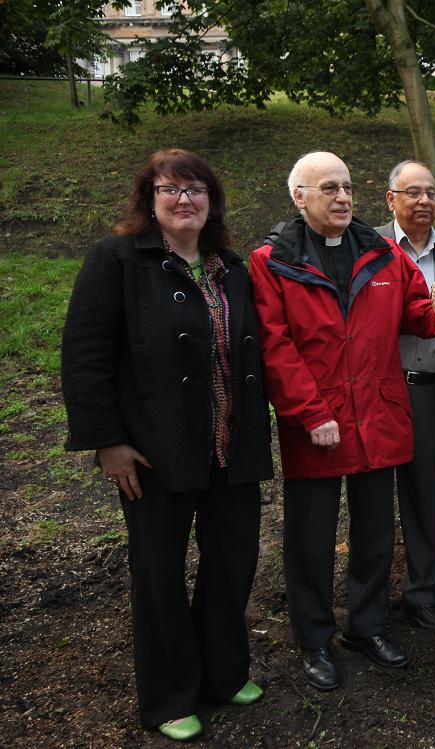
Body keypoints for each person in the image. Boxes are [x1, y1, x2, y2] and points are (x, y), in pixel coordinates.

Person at [61, 149, 274, 741]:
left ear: (213, 201)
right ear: (149, 201)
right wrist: (108, 441)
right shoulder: (118, 261)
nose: (185, 200)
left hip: (233, 447)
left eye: (197, 190)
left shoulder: (229, 267)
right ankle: (168, 697)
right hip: (156, 452)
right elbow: (84, 355)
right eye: (170, 189)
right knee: (159, 575)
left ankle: (224, 675)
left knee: (232, 565)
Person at [249, 151, 435, 691]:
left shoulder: (383, 255)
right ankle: (314, 638)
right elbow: (275, 348)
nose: (343, 197)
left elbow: (419, 316)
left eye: (347, 187)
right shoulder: (272, 261)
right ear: (299, 198)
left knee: (373, 533)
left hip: (380, 417)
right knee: (312, 537)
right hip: (317, 427)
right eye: (329, 188)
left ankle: (365, 627)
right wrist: (309, 413)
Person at [375, 160, 435, 630]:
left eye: (431, 193)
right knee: (371, 497)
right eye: (413, 193)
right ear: (390, 199)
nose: (424, 201)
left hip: (429, 391)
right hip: (378, 392)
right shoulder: (367, 245)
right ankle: (368, 600)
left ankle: (423, 593)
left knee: (425, 495)